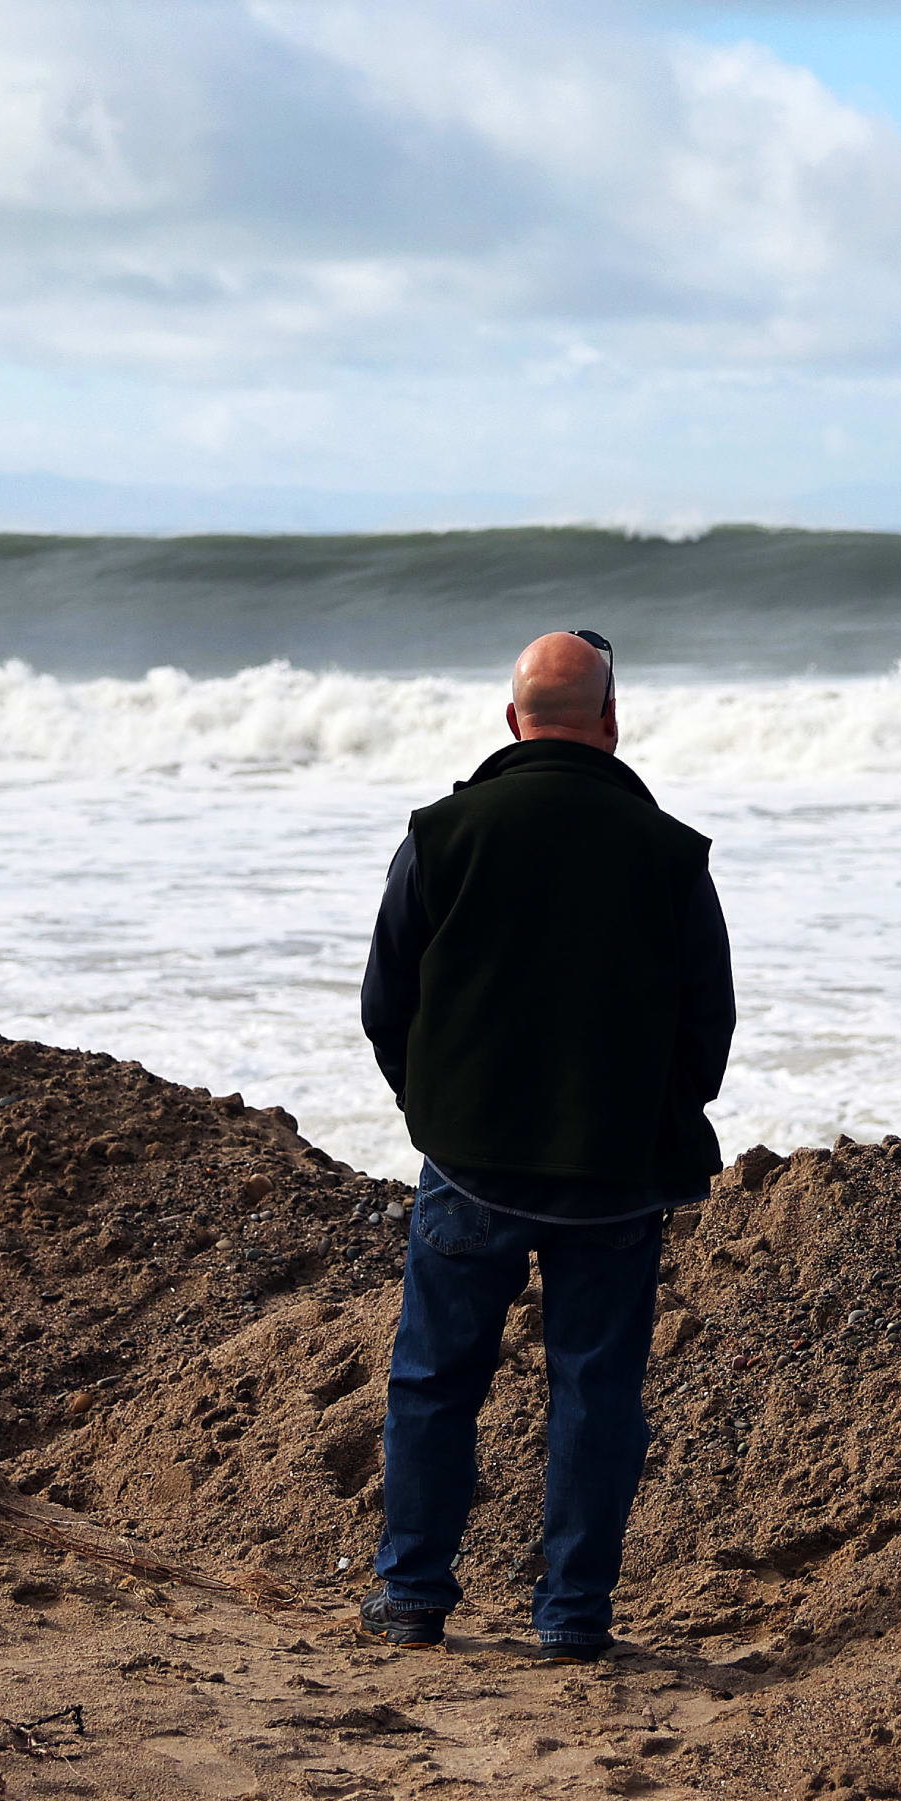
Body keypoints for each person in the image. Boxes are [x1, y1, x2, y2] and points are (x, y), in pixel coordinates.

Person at [354, 627, 735, 1661]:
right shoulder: (669, 852)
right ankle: (572, 1618)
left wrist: (434, 1113)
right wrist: (653, 1126)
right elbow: (709, 1022)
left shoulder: (442, 833)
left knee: (435, 1381)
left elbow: (387, 1004)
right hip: (615, 1172)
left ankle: (413, 1599)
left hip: (469, 1159)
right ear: (610, 724)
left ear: (513, 719)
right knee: (596, 1391)